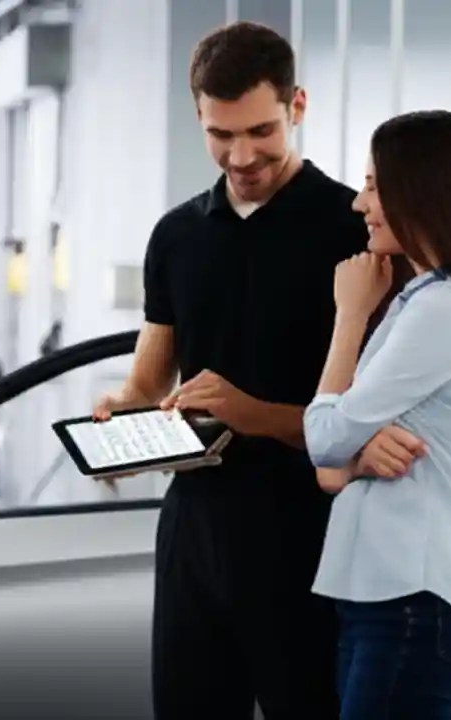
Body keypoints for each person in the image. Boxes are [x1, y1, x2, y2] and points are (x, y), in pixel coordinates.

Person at [91, 21, 370, 718]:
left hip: (310, 530)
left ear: (297, 106)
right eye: (221, 135)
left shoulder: (352, 227)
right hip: (194, 530)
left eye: (261, 131)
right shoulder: (176, 235)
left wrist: (253, 412)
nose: (241, 155)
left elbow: (369, 412)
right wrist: (117, 420)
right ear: (199, 117)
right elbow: (147, 382)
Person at [305, 109, 451, 719]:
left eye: (375, 185)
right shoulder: (426, 300)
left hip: (412, 606)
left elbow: (324, 438)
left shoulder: (447, 309)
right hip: (385, 603)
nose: (360, 203)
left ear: (422, 190)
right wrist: (355, 452)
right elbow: (330, 468)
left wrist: (349, 316)